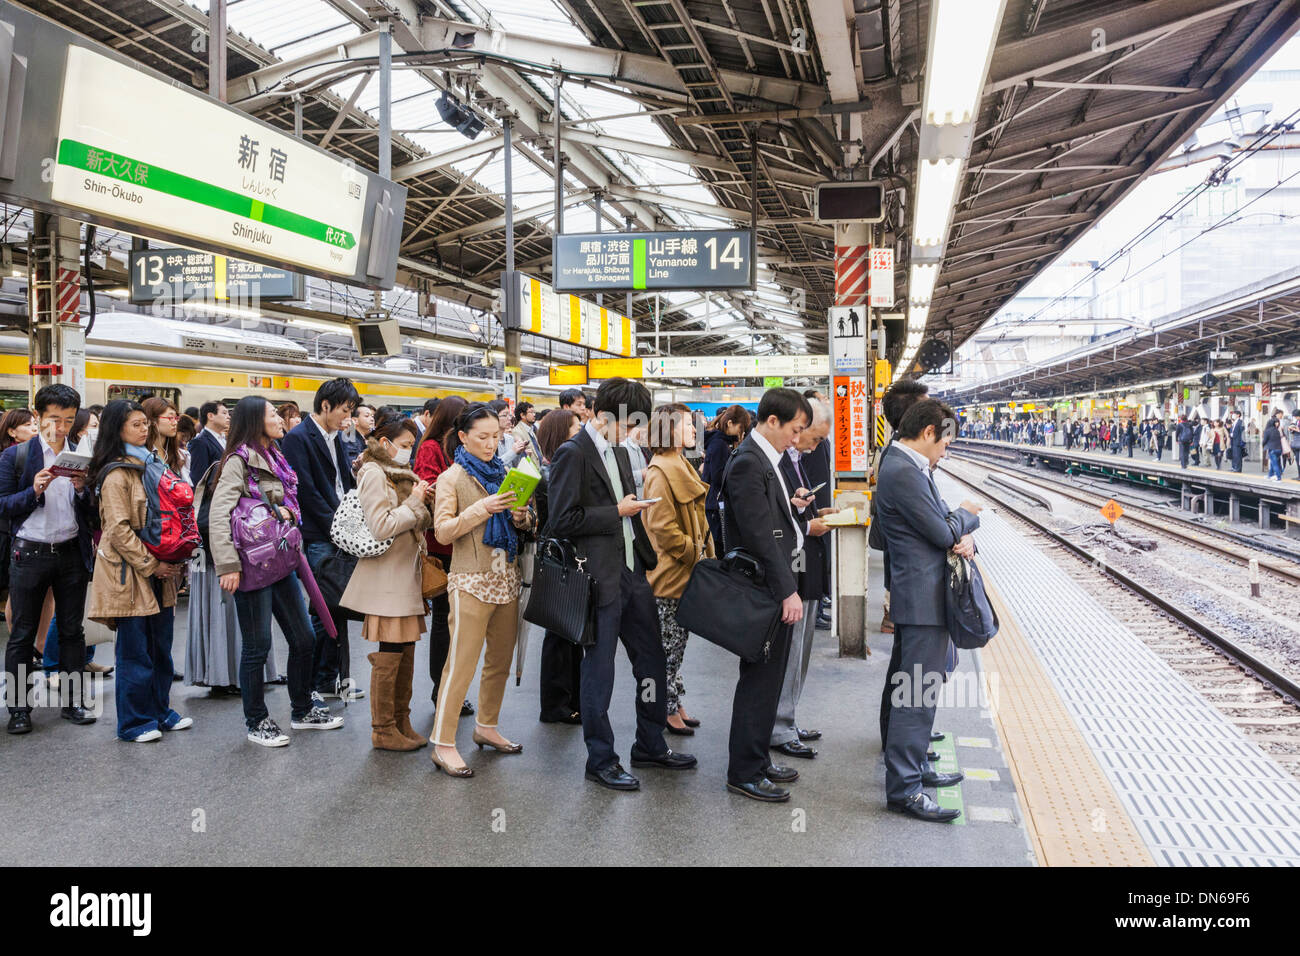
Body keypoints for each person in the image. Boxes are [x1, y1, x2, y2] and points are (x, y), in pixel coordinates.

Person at [546, 378, 696, 791]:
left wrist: (632, 516)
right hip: (598, 578)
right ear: (603, 413)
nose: (632, 431)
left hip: (633, 573)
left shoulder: (615, 449)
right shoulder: (572, 453)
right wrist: (616, 510)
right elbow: (560, 520)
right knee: (600, 673)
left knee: (651, 661)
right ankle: (601, 758)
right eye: (628, 422)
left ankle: (649, 743)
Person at [210, 396, 344, 746]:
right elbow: (219, 514)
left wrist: (286, 512)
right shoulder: (238, 460)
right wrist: (227, 565)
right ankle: (256, 720)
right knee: (258, 646)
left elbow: (289, 501)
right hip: (251, 565)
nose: (282, 418)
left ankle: (301, 710)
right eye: (272, 414)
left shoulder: (275, 454)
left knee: (303, 638)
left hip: (281, 559)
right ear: (256, 421)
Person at [875, 398, 980, 823]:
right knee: (914, 696)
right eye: (945, 441)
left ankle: (913, 770)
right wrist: (967, 517)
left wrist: (959, 532)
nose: (946, 451)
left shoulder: (908, 468)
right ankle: (905, 790)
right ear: (929, 432)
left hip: (921, 599)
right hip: (922, 601)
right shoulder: (902, 471)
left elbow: (940, 527)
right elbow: (940, 530)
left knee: (913, 689)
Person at [717, 387, 813, 802]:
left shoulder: (762, 458)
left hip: (771, 586)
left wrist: (788, 506)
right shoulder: (748, 462)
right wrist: (787, 590)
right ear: (772, 421)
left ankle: (757, 759)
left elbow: (766, 517)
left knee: (769, 678)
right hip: (764, 589)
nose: (797, 439)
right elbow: (759, 535)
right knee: (758, 680)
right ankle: (744, 770)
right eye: (794, 429)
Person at [429, 403, 536, 776]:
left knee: (499, 663)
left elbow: (525, 522)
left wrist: (522, 516)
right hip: (470, 582)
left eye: (496, 437)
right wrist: (484, 508)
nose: (492, 444)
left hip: (505, 578)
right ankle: (442, 744)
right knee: (460, 666)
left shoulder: (504, 471)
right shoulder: (451, 477)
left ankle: (486, 726)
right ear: (463, 437)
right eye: (483, 438)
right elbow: (442, 532)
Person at [86, 400, 190, 742]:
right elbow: (117, 530)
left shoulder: (153, 463)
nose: (145, 429)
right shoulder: (117, 473)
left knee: (161, 648)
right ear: (117, 430)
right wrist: (152, 563)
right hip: (130, 573)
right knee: (135, 652)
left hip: (161, 570)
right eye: (136, 425)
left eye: (146, 423)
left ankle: (161, 712)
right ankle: (134, 722)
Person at [1, 385, 97, 735]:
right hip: (29, 551)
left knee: (72, 631)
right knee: (22, 634)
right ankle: (19, 709)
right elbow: (3, 506)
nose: (60, 427)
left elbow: (93, 513)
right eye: (53, 419)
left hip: (71, 550)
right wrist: (34, 491)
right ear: (37, 415)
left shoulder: (80, 454)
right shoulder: (17, 457)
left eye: (68, 420)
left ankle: (72, 703)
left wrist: (84, 488)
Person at [341, 409, 432, 751]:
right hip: (386, 580)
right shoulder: (374, 473)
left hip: (404, 576)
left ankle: (400, 720)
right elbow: (380, 526)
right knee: (391, 651)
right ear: (384, 443)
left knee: (405, 650)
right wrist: (414, 504)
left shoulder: (399, 472)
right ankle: (382, 728)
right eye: (405, 444)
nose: (409, 450)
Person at [281, 378, 362, 704]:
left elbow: (343, 482)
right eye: (345, 409)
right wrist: (339, 527)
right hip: (320, 534)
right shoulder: (300, 438)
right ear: (325, 406)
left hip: (339, 530)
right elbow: (307, 493)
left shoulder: (336, 437)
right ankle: (314, 680)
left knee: (335, 608)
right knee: (321, 609)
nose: (348, 417)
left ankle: (329, 677)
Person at [642, 403, 713, 736]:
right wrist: (693, 553)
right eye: (688, 425)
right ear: (669, 429)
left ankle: (675, 700)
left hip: (684, 570)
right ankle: (666, 708)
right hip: (670, 574)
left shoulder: (679, 463)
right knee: (668, 647)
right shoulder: (660, 472)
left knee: (676, 643)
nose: (694, 430)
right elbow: (662, 528)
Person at [771, 398, 832, 759]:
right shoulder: (774, 460)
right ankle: (779, 726)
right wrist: (809, 524)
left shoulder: (795, 460)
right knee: (790, 653)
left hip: (807, 566)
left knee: (802, 652)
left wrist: (814, 510)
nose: (814, 445)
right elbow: (771, 524)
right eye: (812, 437)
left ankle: (789, 719)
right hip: (793, 568)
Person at [413, 395, 471, 714]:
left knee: (458, 621)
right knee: (445, 619)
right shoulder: (431, 448)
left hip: (463, 542)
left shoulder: (460, 448)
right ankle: (441, 689)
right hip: (442, 545)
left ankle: (451, 688)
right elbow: (430, 490)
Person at [533, 407, 584, 724]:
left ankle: (568, 700)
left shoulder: (557, 468)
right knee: (559, 633)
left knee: (568, 632)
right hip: (558, 556)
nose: (581, 430)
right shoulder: (552, 472)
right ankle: (555, 704)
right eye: (575, 427)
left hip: (559, 554)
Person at [701, 404, 750, 554]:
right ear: (730, 424)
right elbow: (718, 477)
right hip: (716, 507)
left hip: (714, 505)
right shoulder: (719, 445)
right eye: (741, 428)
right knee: (720, 549)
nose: (742, 433)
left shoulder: (720, 442)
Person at [142, 396, 188, 484]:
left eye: (176, 418)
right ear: (152, 420)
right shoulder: (143, 455)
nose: (175, 423)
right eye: (170, 418)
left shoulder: (178, 454)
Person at [188, 401, 230, 490]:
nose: (228, 416)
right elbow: (198, 478)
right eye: (224, 413)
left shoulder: (225, 439)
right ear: (210, 416)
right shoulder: (199, 442)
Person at [490, 399, 526, 469]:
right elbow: (493, 465)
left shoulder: (510, 438)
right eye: (504, 415)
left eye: (509, 415)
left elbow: (515, 465)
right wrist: (513, 451)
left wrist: (519, 452)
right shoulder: (489, 441)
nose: (509, 418)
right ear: (493, 417)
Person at [511, 402, 541, 467]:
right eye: (531, 412)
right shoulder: (517, 432)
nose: (534, 415)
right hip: (529, 470)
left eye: (534, 412)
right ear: (522, 415)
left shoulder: (531, 430)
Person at [1263, 409, 1284, 481]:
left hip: (1272, 449)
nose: (1277, 424)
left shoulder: (1268, 431)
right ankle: (1270, 475)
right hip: (1279, 449)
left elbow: (1265, 440)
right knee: (1273, 463)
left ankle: (1278, 478)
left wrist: (1263, 446)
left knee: (1274, 464)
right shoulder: (1277, 431)